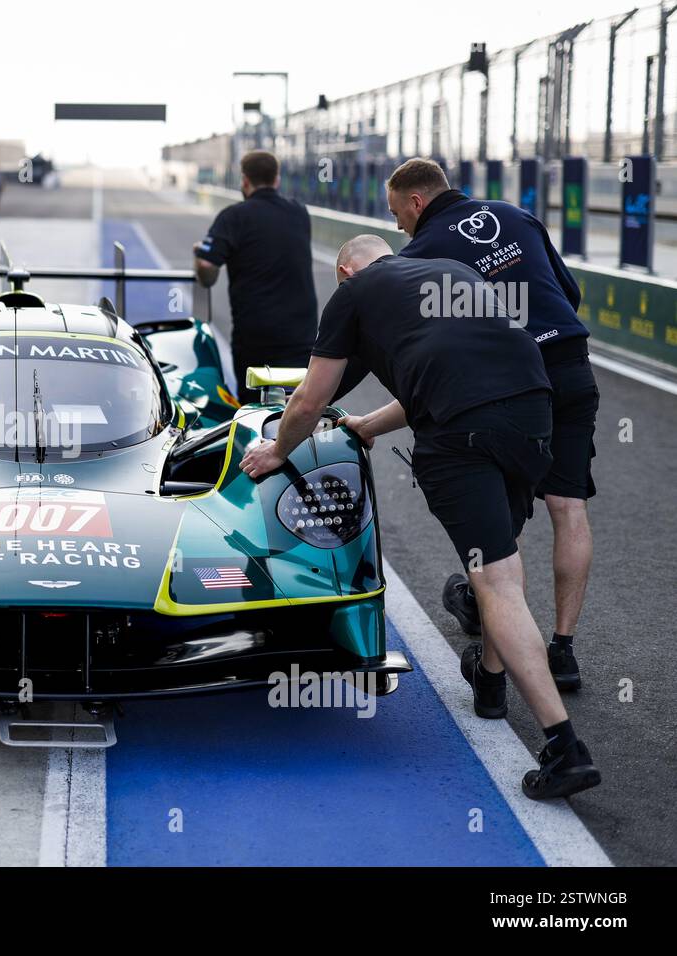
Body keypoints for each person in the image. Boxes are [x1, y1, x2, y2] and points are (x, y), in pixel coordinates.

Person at [239, 235, 601, 800]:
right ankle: (489, 680)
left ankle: (563, 748)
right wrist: (366, 426)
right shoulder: (451, 271)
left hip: (464, 436)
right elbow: (449, 375)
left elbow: (309, 400)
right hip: (534, 413)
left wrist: (278, 450)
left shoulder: (354, 293)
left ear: (344, 271)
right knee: (501, 558)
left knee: (497, 581)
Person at [387, 157, 596, 692]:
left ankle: (495, 651)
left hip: (514, 386)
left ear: (416, 202)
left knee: (502, 519)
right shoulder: (514, 215)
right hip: (571, 365)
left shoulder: (421, 253)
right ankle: (564, 652)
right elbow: (567, 293)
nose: (397, 226)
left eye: (397, 214)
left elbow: (427, 346)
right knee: (568, 507)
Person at [193, 150, 317, 396]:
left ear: (245, 180)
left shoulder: (233, 217)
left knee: (253, 412)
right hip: (301, 337)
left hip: (255, 338)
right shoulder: (299, 213)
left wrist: (198, 255)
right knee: (299, 407)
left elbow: (207, 269)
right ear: (277, 179)